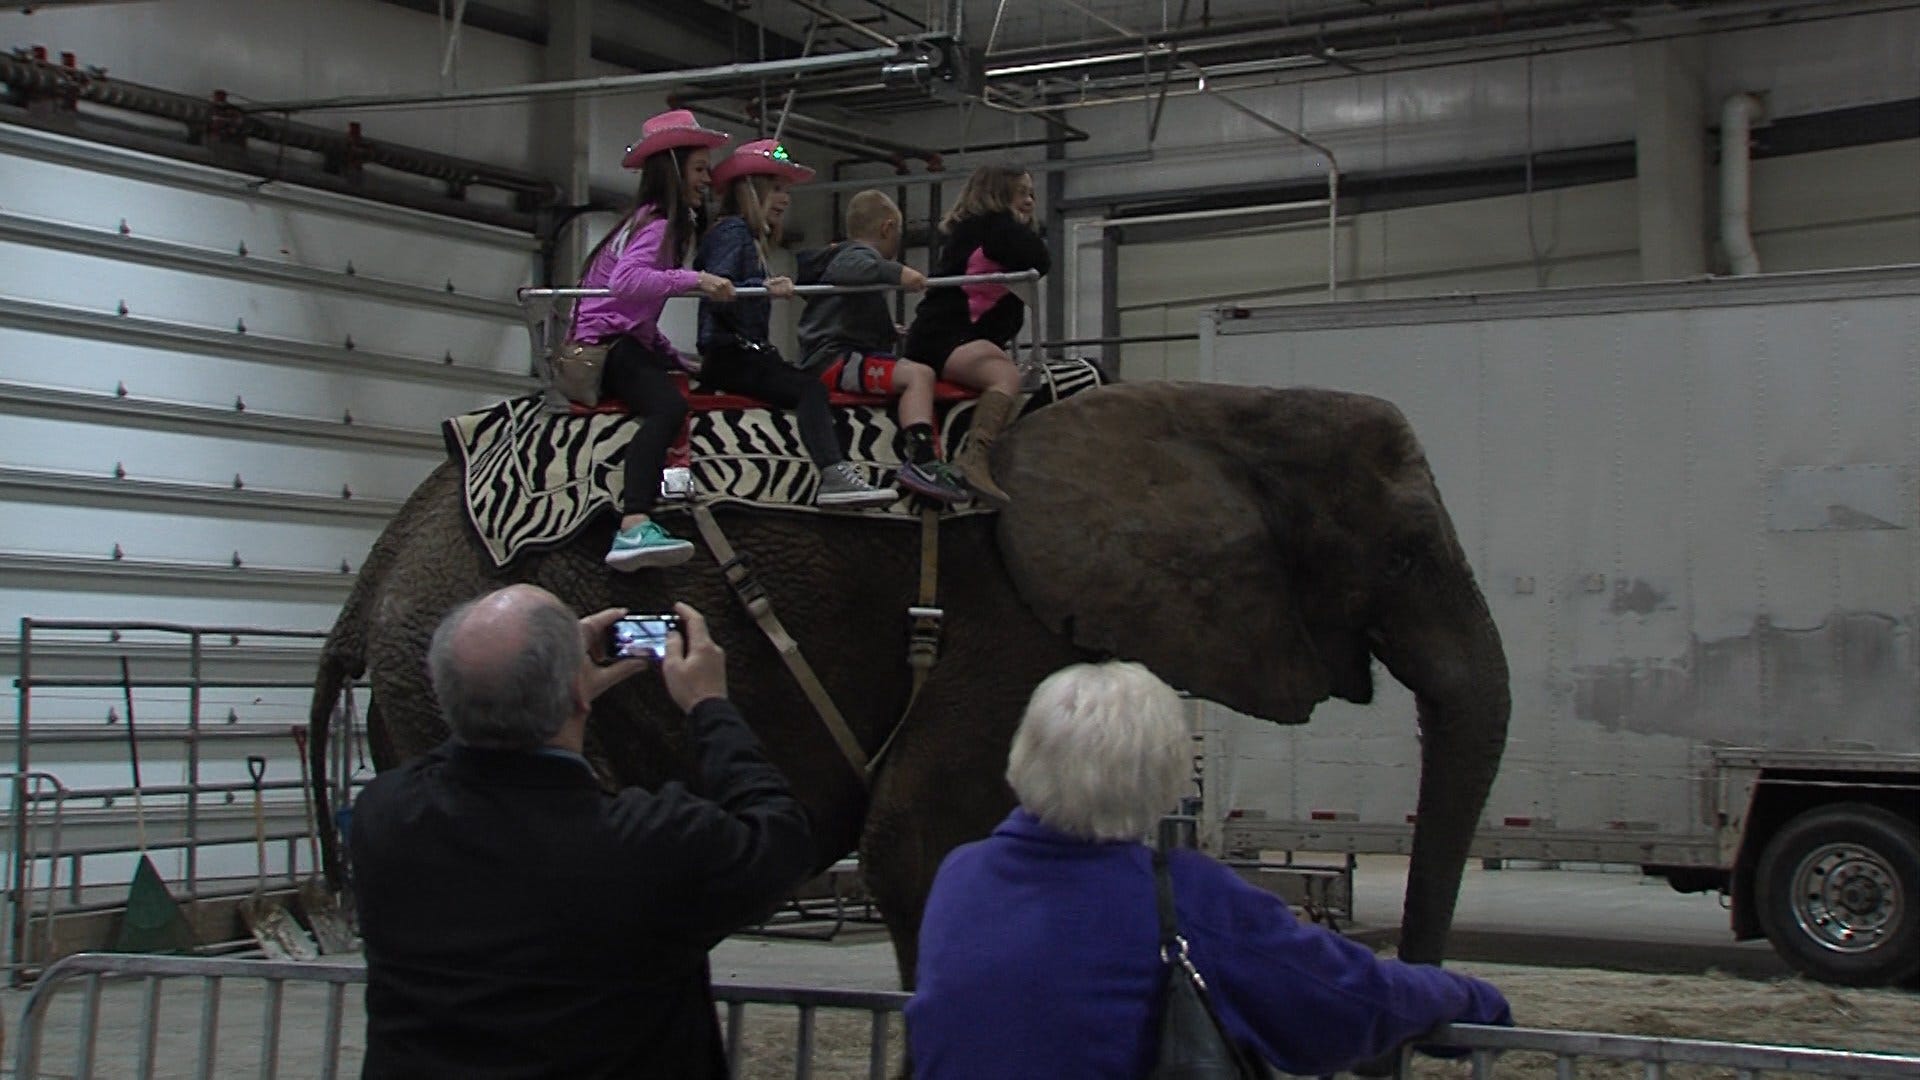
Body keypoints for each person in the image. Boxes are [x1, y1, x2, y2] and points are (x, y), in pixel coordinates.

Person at [906, 661, 1513, 1079]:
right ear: (1164, 777)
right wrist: (1466, 999)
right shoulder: (1182, 895)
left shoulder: (963, 875)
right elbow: (1341, 997)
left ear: (1024, 751)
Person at [351, 587, 813, 1079]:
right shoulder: (648, 844)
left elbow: (469, 743)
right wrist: (708, 705)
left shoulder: (384, 815)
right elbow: (778, 837)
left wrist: (544, 688)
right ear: (576, 693)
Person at [570, 109, 738, 572]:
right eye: (700, 169)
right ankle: (634, 521)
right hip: (606, 345)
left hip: (616, 337)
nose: (707, 180)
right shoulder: (659, 224)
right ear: (675, 167)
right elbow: (628, 283)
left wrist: (673, 357)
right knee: (668, 407)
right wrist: (698, 280)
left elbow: (634, 312)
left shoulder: (645, 220)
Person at [694, 139, 897, 510]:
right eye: (776, 189)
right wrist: (763, 289)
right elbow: (718, 288)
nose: (785, 199)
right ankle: (833, 474)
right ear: (750, 190)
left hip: (744, 351)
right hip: (731, 354)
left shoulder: (747, 237)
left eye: (785, 190)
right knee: (810, 391)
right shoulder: (733, 233)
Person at [794, 189, 968, 504]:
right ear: (888, 229)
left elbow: (855, 311)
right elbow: (854, 269)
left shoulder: (848, 259)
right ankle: (923, 458)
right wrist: (901, 273)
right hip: (835, 360)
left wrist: (890, 331)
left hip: (845, 353)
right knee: (919, 376)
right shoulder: (853, 255)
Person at [901, 164, 1050, 507]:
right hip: (947, 337)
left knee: (1005, 367)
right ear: (999, 194)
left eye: (1032, 194)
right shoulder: (995, 228)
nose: (1029, 201)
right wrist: (1022, 224)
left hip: (952, 334)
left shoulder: (974, 230)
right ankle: (976, 456)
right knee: (1004, 375)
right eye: (1023, 193)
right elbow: (1040, 259)